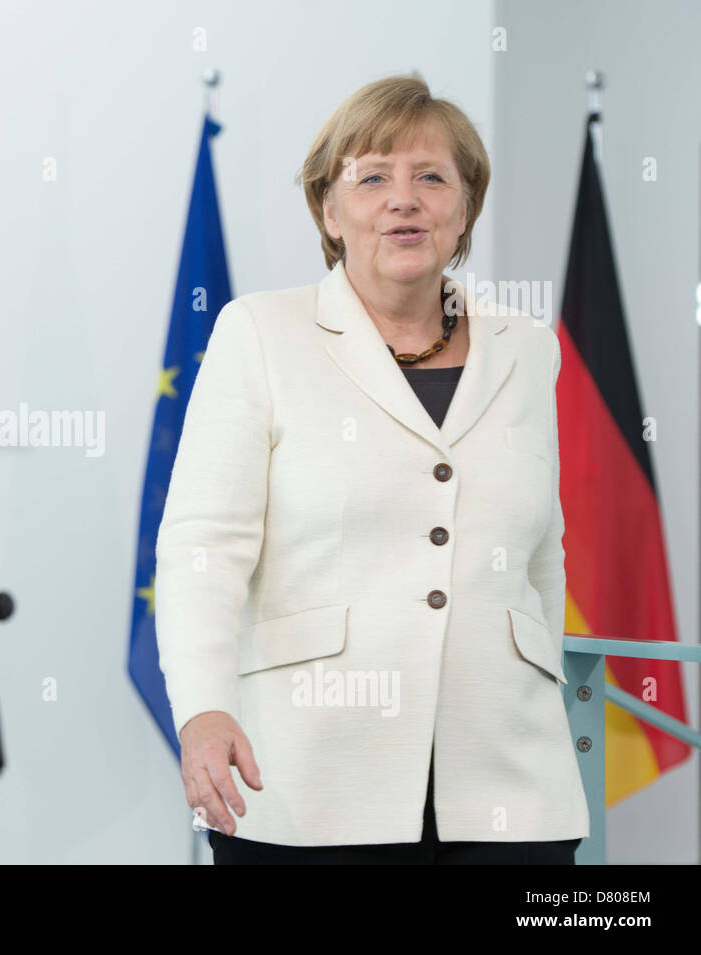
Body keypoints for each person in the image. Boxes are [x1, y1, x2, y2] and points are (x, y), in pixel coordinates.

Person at [155, 74, 588, 864]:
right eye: (373, 176)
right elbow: (201, 549)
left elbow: (542, 552)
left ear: (465, 209)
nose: (405, 199)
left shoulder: (527, 346)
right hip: (309, 779)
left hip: (510, 786)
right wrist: (205, 710)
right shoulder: (260, 332)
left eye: (432, 177)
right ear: (330, 208)